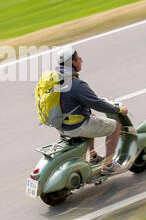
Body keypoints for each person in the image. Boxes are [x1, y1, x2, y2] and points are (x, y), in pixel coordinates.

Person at [55, 47, 128, 175]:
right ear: (72, 63)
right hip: (75, 127)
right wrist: (118, 109)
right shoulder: (76, 84)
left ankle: (92, 156)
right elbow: (97, 104)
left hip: (62, 126)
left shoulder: (56, 80)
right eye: (78, 59)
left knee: (91, 116)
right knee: (116, 126)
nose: (81, 60)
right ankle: (109, 165)